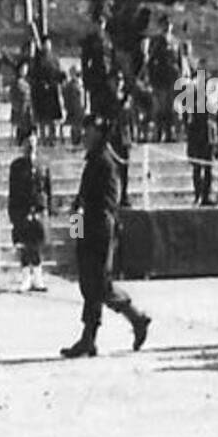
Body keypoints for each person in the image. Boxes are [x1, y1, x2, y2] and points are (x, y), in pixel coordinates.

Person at [61, 115, 151, 358]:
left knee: (100, 284)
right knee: (90, 285)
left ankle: (136, 318)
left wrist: (86, 229)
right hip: (88, 230)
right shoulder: (92, 161)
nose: (84, 135)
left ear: (99, 133)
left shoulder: (105, 162)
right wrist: (75, 233)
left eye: (88, 130)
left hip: (100, 230)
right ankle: (89, 338)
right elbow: (80, 201)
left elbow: (108, 204)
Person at [8, 132, 52, 292]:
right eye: (27, 143)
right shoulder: (17, 166)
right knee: (25, 243)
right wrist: (13, 211)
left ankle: (38, 278)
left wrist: (48, 208)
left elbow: (47, 188)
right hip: (22, 208)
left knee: (38, 242)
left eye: (33, 142)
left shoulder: (42, 164)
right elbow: (13, 190)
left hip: (39, 208)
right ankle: (26, 277)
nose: (31, 146)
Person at [185, 62, 218, 206]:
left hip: (208, 131)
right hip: (196, 130)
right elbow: (186, 112)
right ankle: (197, 194)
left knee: (208, 166)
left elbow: (217, 112)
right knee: (197, 166)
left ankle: (206, 195)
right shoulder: (191, 88)